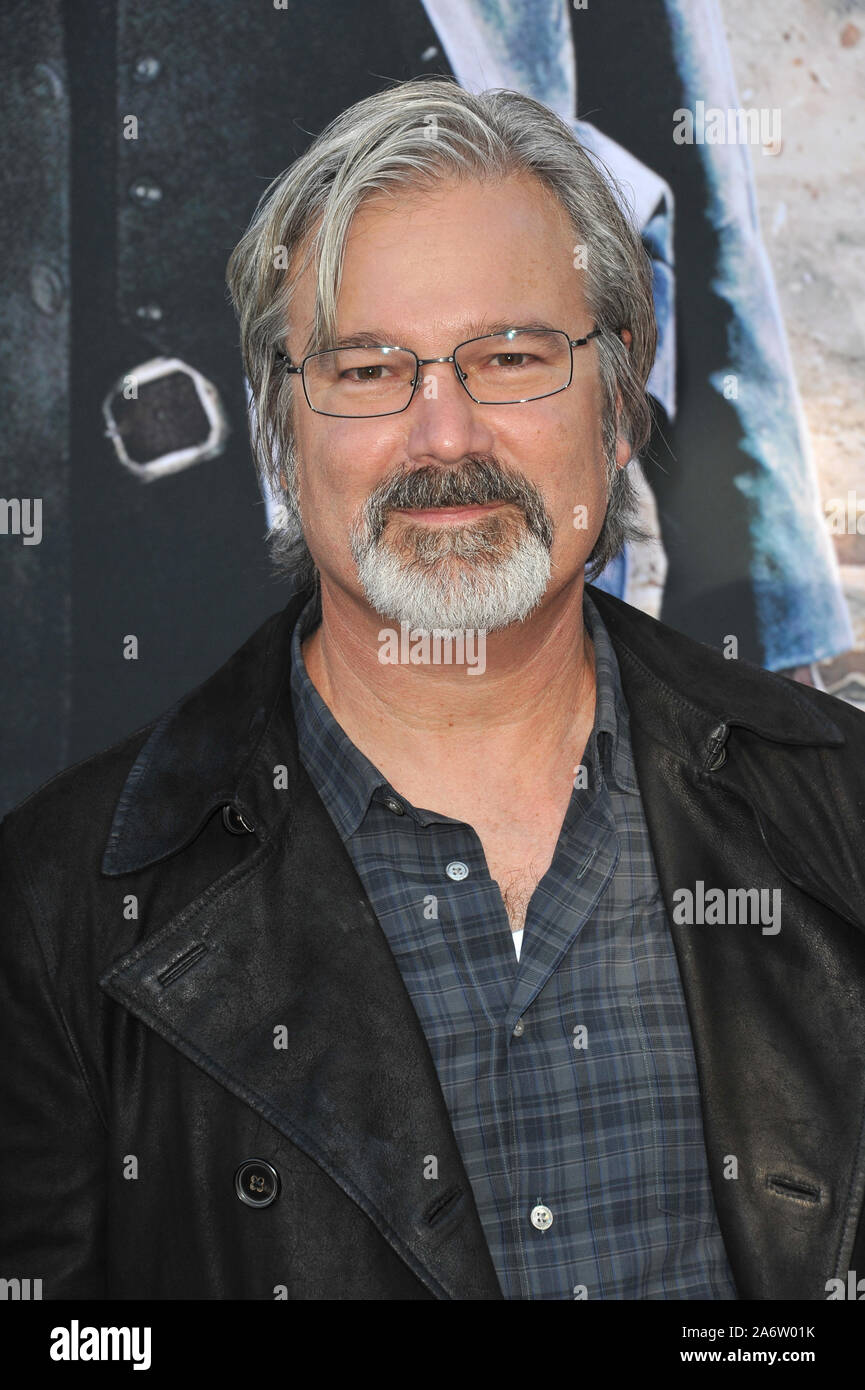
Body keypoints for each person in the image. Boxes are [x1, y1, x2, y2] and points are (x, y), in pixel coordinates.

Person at [2, 77, 864, 1302]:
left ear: (620, 403)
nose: (444, 435)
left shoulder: (842, 809)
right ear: (279, 429)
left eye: (510, 357)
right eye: (366, 370)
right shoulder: (51, 916)